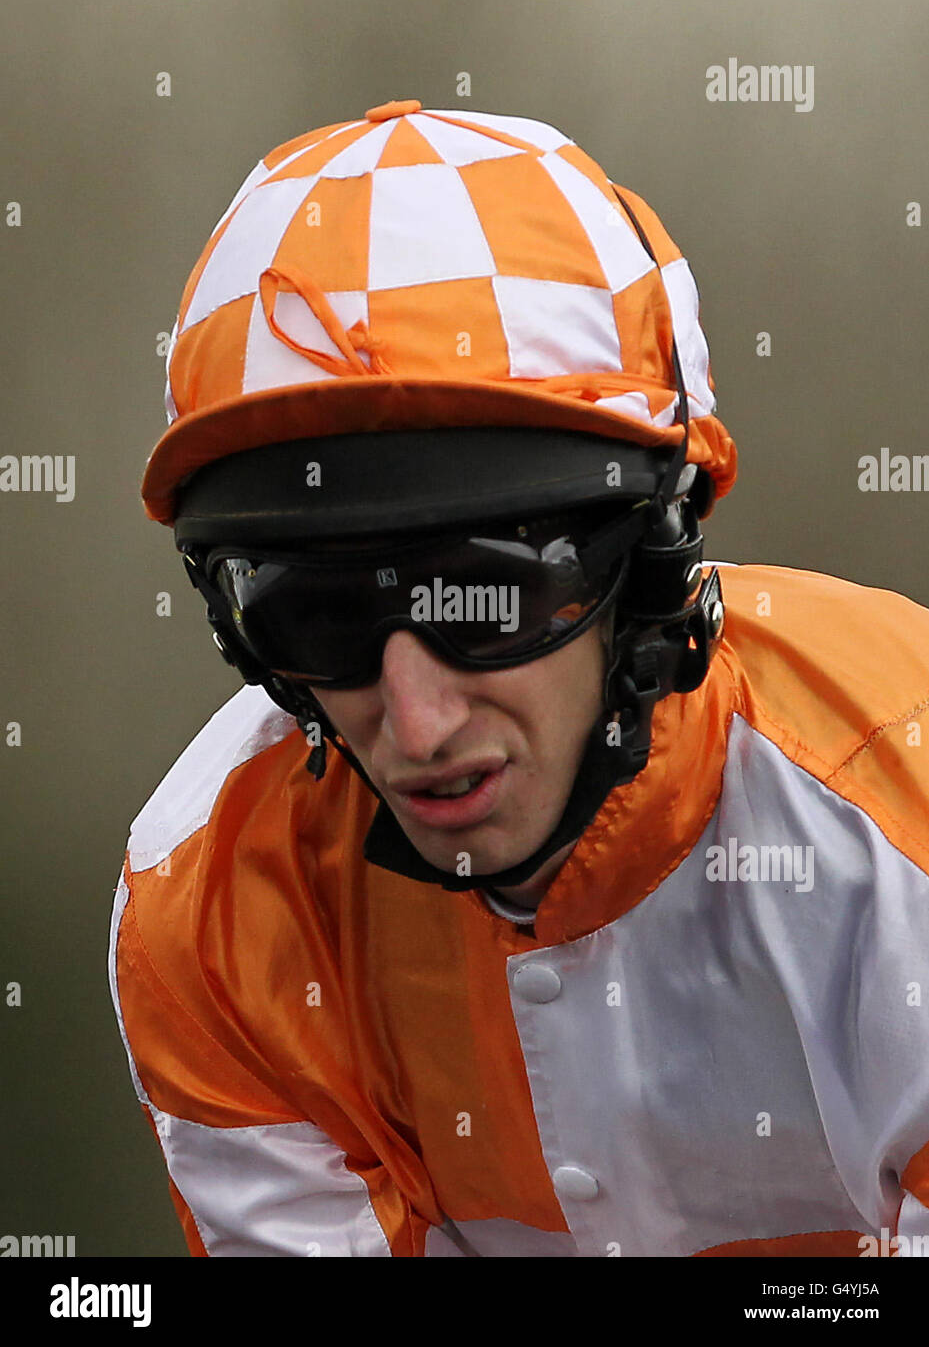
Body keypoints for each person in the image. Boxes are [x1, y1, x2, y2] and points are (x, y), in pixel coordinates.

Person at [109, 99, 929, 1258]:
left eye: (485, 595)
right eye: (321, 613)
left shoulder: (902, 806)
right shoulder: (209, 908)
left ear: (650, 557)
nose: (417, 718)